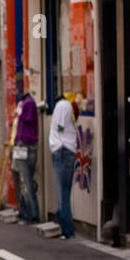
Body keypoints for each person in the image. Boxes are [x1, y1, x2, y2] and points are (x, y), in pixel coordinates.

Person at [50, 92, 80, 238]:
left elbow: (60, 126)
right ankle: (65, 226)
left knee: (63, 193)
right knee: (65, 192)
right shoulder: (67, 106)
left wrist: (57, 139)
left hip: (61, 150)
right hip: (67, 149)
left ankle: (67, 229)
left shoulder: (61, 105)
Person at [12, 91, 41, 223]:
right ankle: (26, 212)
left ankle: (32, 214)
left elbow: (25, 121)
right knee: (27, 179)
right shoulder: (31, 103)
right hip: (30, 143)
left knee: (26, 180)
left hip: (23, 144)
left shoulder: (27, 104)